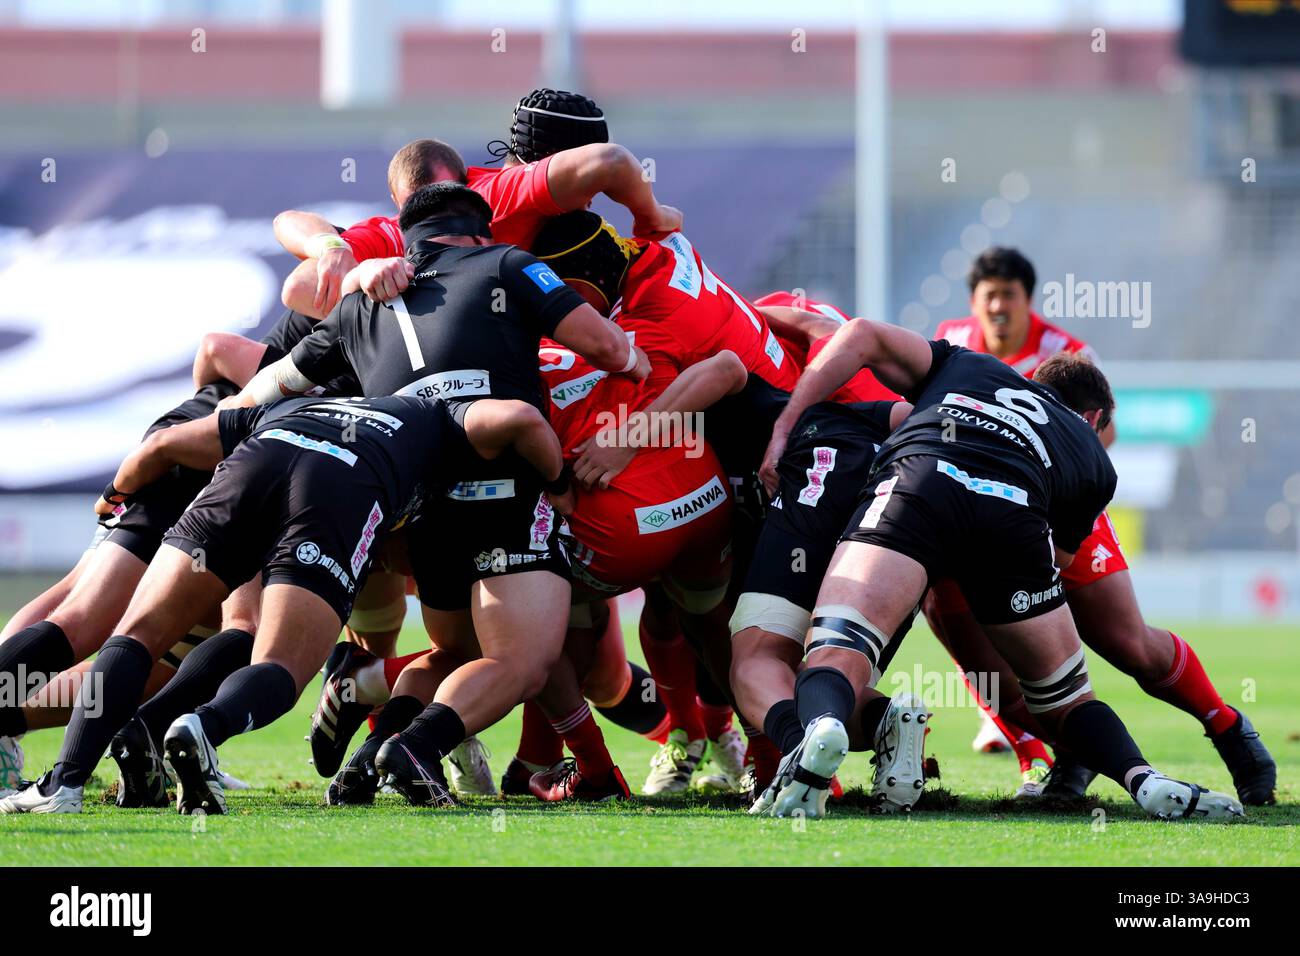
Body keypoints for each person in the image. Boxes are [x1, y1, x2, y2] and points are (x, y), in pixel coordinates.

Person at [233, 182, 648, 807]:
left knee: (457, 651)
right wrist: (634, 369)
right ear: (480, 232)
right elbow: (611, 349)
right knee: (523, 662)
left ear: (410, 239)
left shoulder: (360, 304)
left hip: (419, 508)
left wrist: (208, 441)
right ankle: (414, 749)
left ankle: (369, 761)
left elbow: (267, 386)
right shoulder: (508, 263)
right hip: (506, 491)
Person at [753, 319, 1244, 822]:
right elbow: (1059, 563)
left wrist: (787, 422)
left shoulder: (972, 365)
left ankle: (824, 728)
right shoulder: (1093, 456)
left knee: (839, 652)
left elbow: (859, 333)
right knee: (1068, 700)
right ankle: (1143, 777)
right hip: (1013, 521)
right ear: (1092, 416)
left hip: (920, 488)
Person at [1, 390, 560, 814]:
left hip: (253, 462)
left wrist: (116, 494)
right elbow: (519, 418)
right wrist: (559, 482)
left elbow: (164, 446)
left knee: (138, 633)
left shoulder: (292, 398)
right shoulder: (441, 416)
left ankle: (63, 784)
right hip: (338, 488)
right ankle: (205, 726)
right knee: (278, 664)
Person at [931, 247, 1275, 805]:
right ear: (972, 302)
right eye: (987, 295)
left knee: (1128, 644)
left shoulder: (1065, 354)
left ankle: (1229, 728)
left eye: (1007, 295)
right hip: (978, 515)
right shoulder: (951, 340)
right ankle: (1048, 760)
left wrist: (1051, 494)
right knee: (986, 659)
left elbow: (1099, 435)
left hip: (1061, 508)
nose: (997, 306)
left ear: (1027, 300)